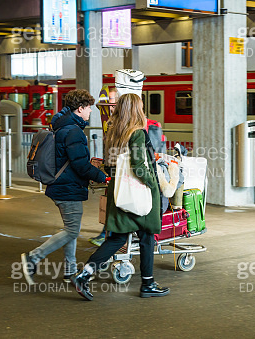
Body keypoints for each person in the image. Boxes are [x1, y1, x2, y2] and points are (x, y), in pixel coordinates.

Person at [70, 93, 169, 300]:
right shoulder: (137, 133)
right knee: (147, 236)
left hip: (119, 190)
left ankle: (84, 274)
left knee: (117, 237)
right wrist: (153, 184)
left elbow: (110, 164)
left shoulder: (114, 132)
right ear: (137, 109)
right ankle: (148, 284)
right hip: (137, 191)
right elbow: (139, 166)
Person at [21, 89, 107, 284]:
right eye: (88, 108)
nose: (91, 112)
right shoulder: (73, 131)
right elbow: (80, 164)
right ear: (80, 108)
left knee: (71, 228)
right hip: (68, 186)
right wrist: (101, 176)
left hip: (62, 184)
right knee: (72, 230)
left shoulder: (62, 125)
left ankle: (69, 270)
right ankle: (33, 258)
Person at [89, 87, 118, 247]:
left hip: (120, 171)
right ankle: (107, 234)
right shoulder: (110, 122)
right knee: (110, 202)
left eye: (112, 102)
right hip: (112, 169)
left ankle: (107, 235)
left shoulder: (120, 123)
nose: (109, 107)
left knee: (113, 203)